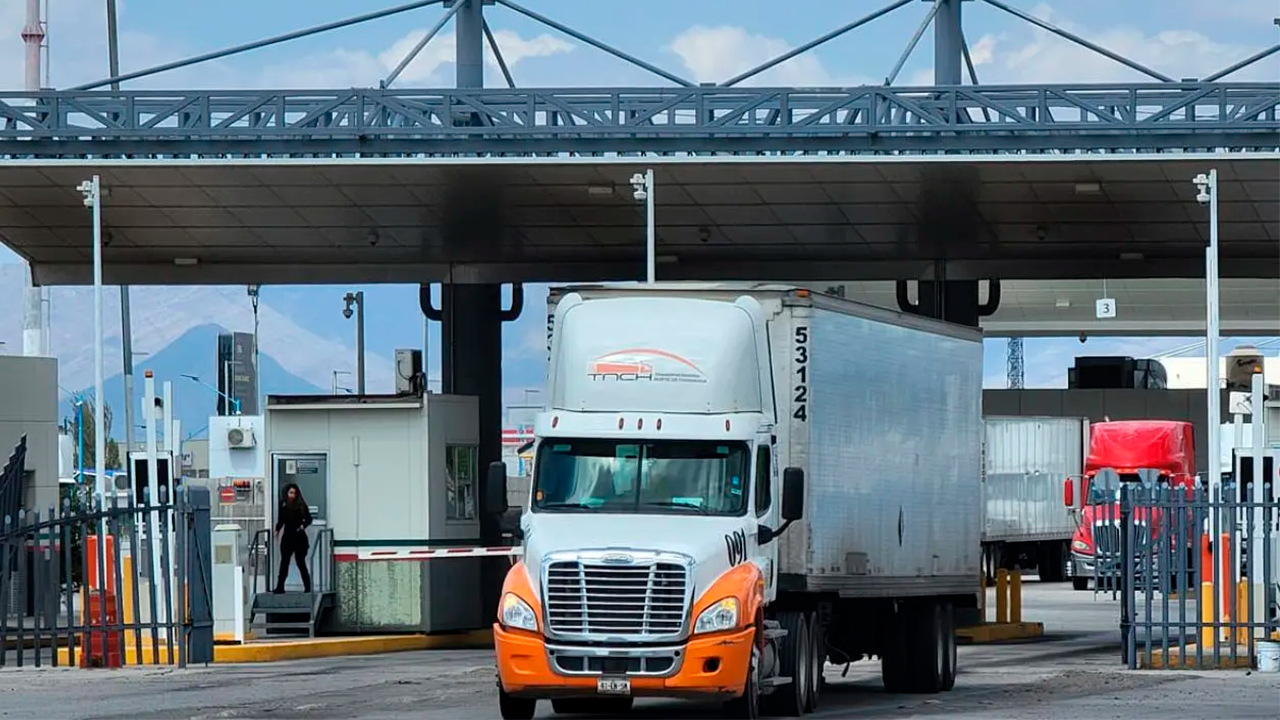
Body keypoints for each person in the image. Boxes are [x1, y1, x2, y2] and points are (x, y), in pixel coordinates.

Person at [273, 483, 313, 594]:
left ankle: (308, 587)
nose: (292, 495)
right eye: (290, 493)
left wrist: (303, 526)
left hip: (299, 537)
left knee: (300, 562)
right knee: (284, 562)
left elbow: (309, 518)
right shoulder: (283, 505)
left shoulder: (301, 505)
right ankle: (280, 587)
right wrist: (277, 530)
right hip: (287, 537)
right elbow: (281, 520)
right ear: (286, 493)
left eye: (294, 493)